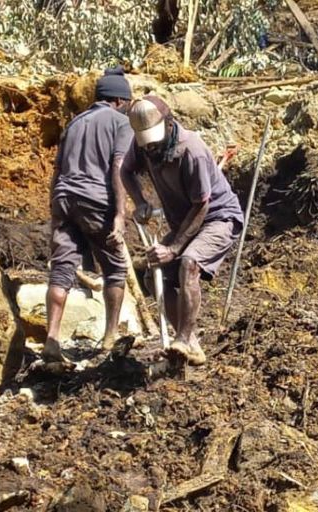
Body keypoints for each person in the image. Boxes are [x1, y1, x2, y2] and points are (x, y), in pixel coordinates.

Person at [123, 95, 244, 366]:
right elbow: (125, 170)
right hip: (185, 222)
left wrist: (174, 248)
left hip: (217, 217)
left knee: (188, 263)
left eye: (154, 142)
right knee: (155, 277)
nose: (151, 149)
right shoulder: (144, 144)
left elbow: (202, 205)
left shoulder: (192, 150)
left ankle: (184, 338)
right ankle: (189, 345)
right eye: (146, 144)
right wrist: (140, 201)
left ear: (169, 123)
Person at [43, 67, 134, 363]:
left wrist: (54, 209)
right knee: (115, 267)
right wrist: (120, 213)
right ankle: (109, 338)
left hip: (64, 198)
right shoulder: (121, 123)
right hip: (96, 200)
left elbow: (56, 172)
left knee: (61, 269)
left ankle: (52, 339)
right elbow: (119, 165)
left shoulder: (74, 123)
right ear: (119, 101)